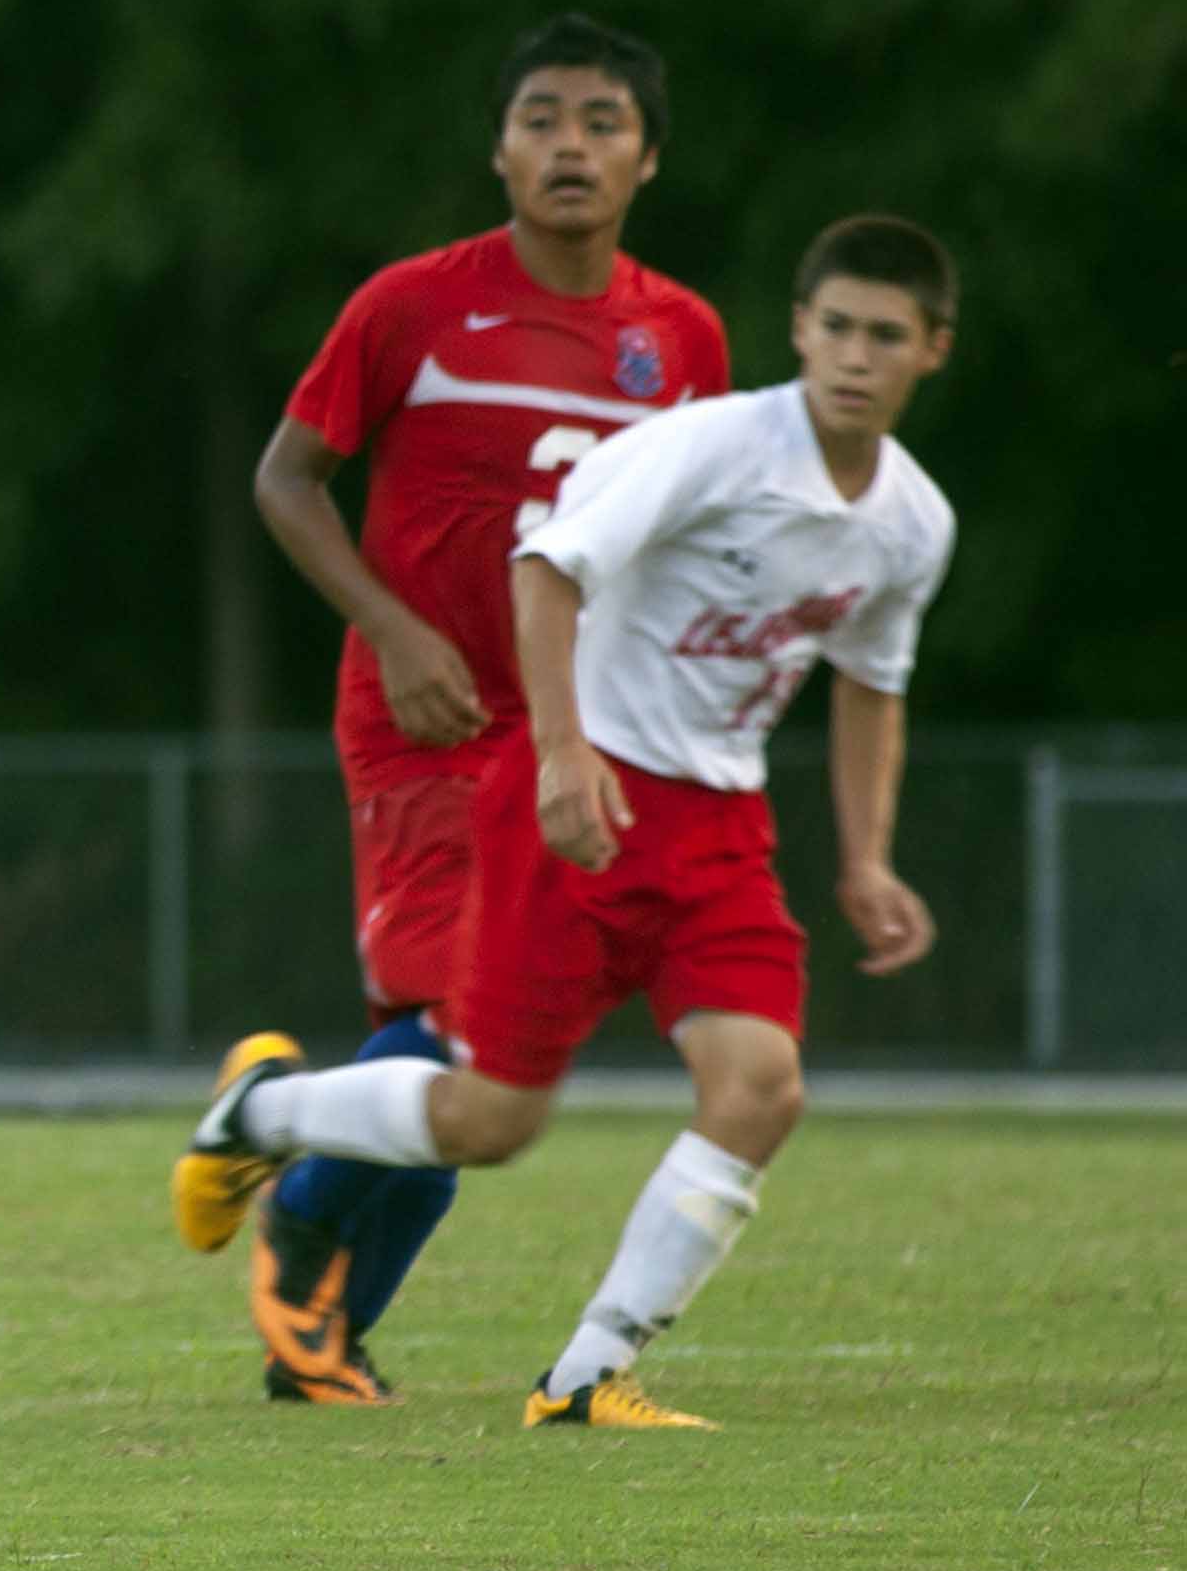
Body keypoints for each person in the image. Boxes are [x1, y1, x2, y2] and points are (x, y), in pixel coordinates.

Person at [178, 215, 961, 1430]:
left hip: (719, 826)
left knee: (761, 1088)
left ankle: (588, 1375)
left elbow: (871, 683)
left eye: (887, 336)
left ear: (933, 349)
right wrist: (560, 751)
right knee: (490, 1122)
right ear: (800, 331)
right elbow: (545, 565)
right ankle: (260, 1113)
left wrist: (867, 859)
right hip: (584, 795)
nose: (858, 357)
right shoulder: (712, 447)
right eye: (839, 328)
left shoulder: (913, 522)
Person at [225, 13, 730, 1403]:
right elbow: (284, 480)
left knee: (487, 1068)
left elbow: (683, 541)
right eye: (540, 118)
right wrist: (391, 630)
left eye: (601, 123)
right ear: (497, 148)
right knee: (455, 1033)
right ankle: (292, 1199)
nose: (569, 145)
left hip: (575, 733)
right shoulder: (410, 306)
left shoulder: (683, 337)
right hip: (428, 717)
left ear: (646, 158)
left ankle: (323, 1341)